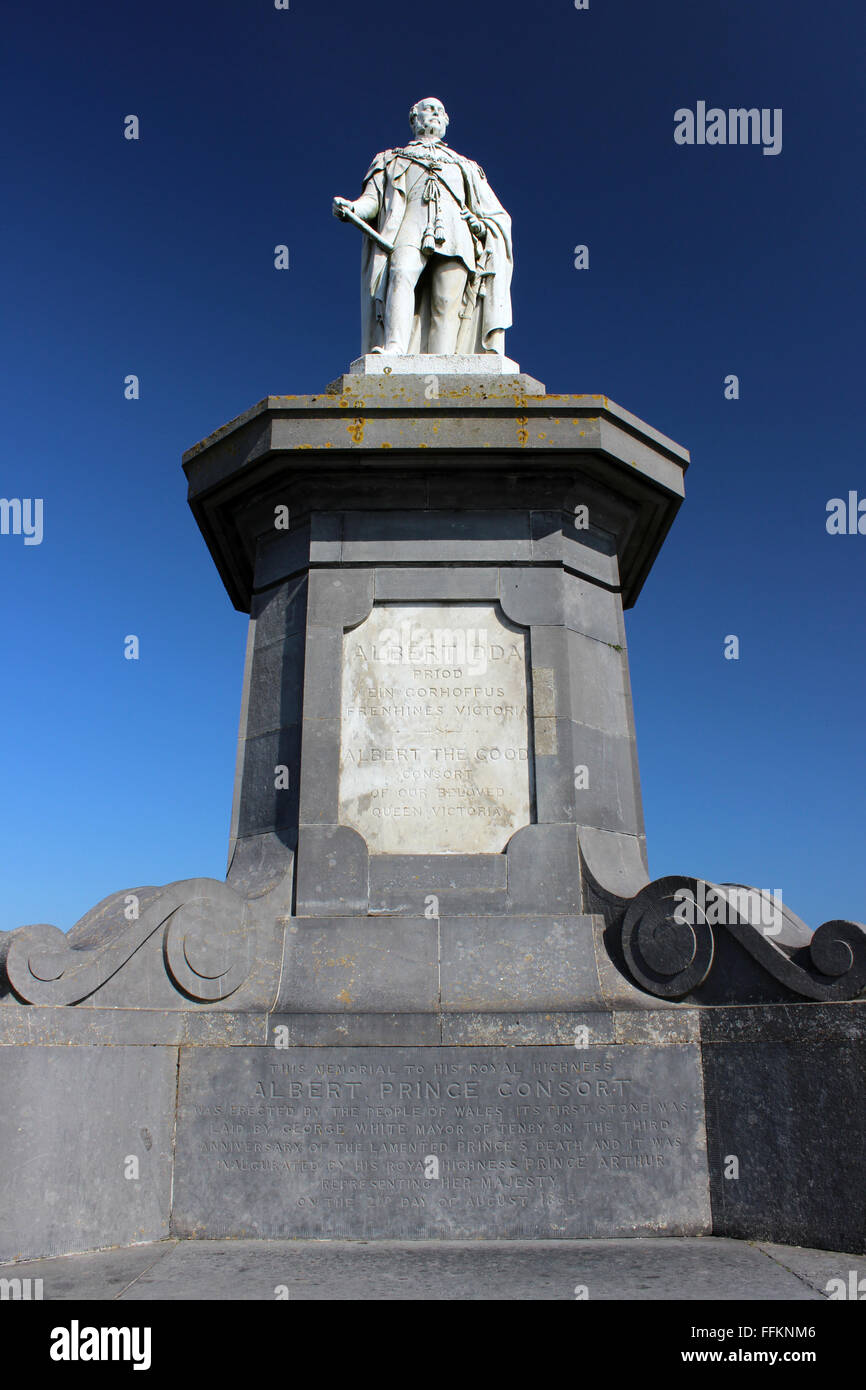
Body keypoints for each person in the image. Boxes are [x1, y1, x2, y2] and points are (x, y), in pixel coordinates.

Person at [333, 98, 513, 357]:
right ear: (414, 119)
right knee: (400, 273)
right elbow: (372, 202)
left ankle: (443, 360)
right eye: (429, 109)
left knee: (446, 300)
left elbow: (494, 213)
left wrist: (483, 228)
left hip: (455, 231)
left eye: (441, 111)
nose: (436, 114)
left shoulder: (465, 165)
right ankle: (395, 348)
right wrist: (352, 208)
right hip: (408, 227)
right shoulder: (389, 158)